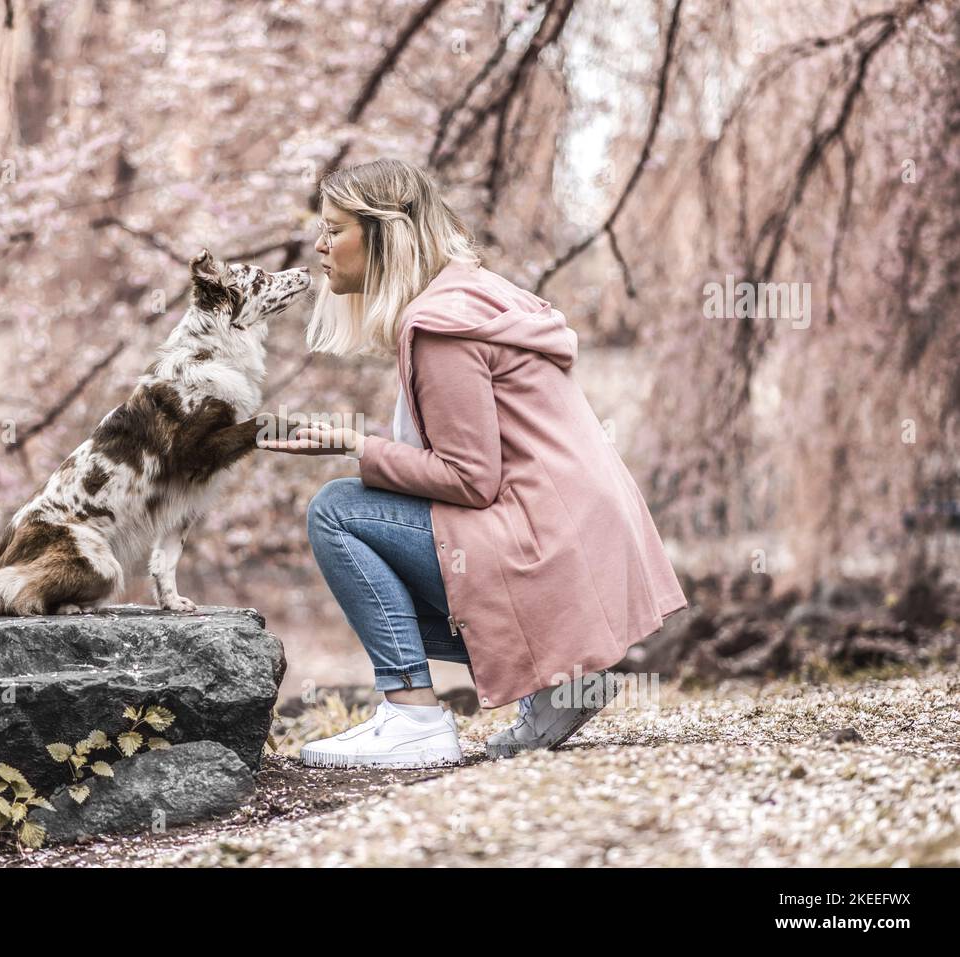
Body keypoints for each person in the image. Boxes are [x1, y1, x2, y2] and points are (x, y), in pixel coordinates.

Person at [257, 158, 687, 768]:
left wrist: (355, 449)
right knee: (371, 528)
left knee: (337, 511)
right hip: (578, 548)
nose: (319, 245)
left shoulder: (439, 328)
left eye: (334, 228)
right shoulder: (469, 296)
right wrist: (359, 439)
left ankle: (412, 718)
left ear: (386, 233)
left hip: (543, 549)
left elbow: (469, 479)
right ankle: (555, 685)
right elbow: (478, 455)